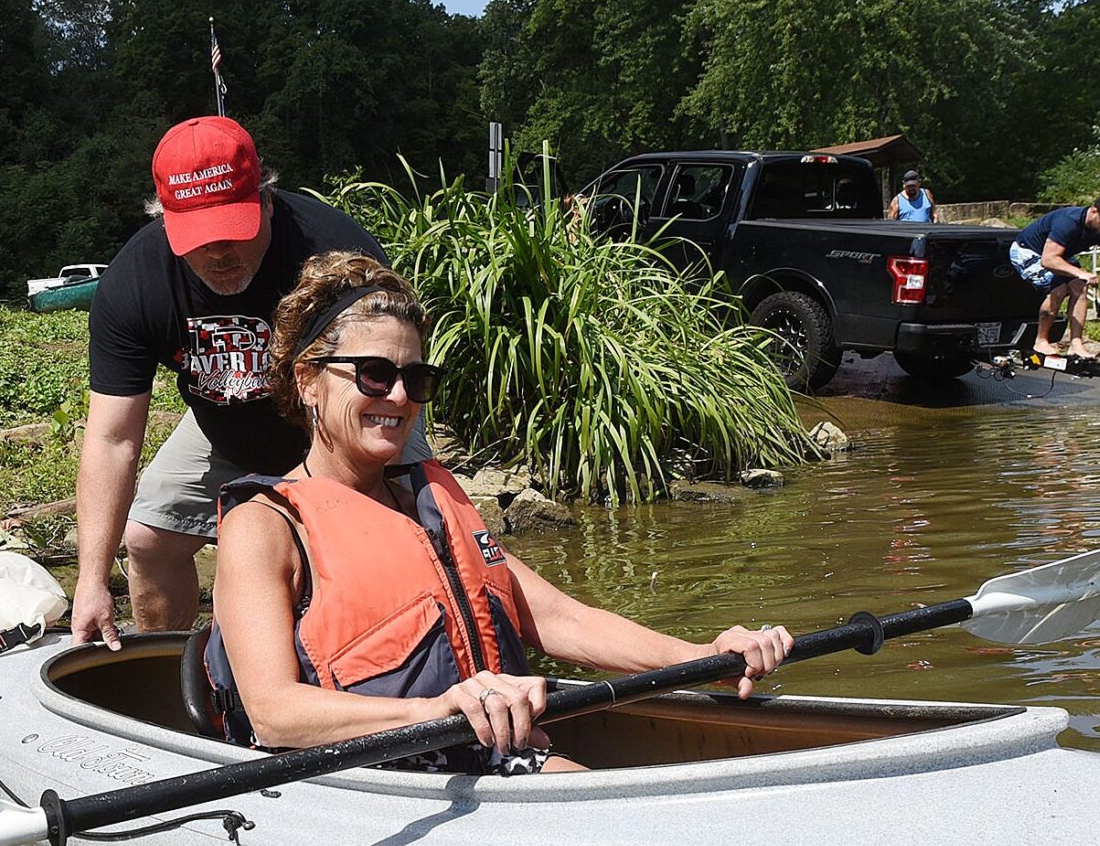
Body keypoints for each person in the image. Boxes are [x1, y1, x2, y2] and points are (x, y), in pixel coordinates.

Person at [202, 253, 791, 774]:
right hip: (373, 778)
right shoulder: (266, 524)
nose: (400, 397)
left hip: (489, 757)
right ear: (307, 380)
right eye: (375, 375)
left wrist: (702, 657)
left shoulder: (430, 505)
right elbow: (275, 713)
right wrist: (439, 709)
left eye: (415, 377)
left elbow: (564, 621)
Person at [73, 116, 413, 647]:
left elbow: (380, 385)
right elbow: (113, 437)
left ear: (267, 201)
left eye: (235, 229)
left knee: (398, 543)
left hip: (348, 416)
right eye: (200, 237)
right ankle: (170, 681)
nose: (220, 252)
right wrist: (91, 580)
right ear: (165, 221)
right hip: (224, 424)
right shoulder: (135, 284)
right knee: (147, 540)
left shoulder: (337, 255)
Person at [1009, 194, 1100, 359]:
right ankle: (1041, 341)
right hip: (1028, 251)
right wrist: (1080, 272)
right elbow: (1048, 260)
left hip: (1060, 254)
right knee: (1058, 289)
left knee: (1080, 287)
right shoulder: (1068, 221)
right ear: (1094, 211)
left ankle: (1076, 344)